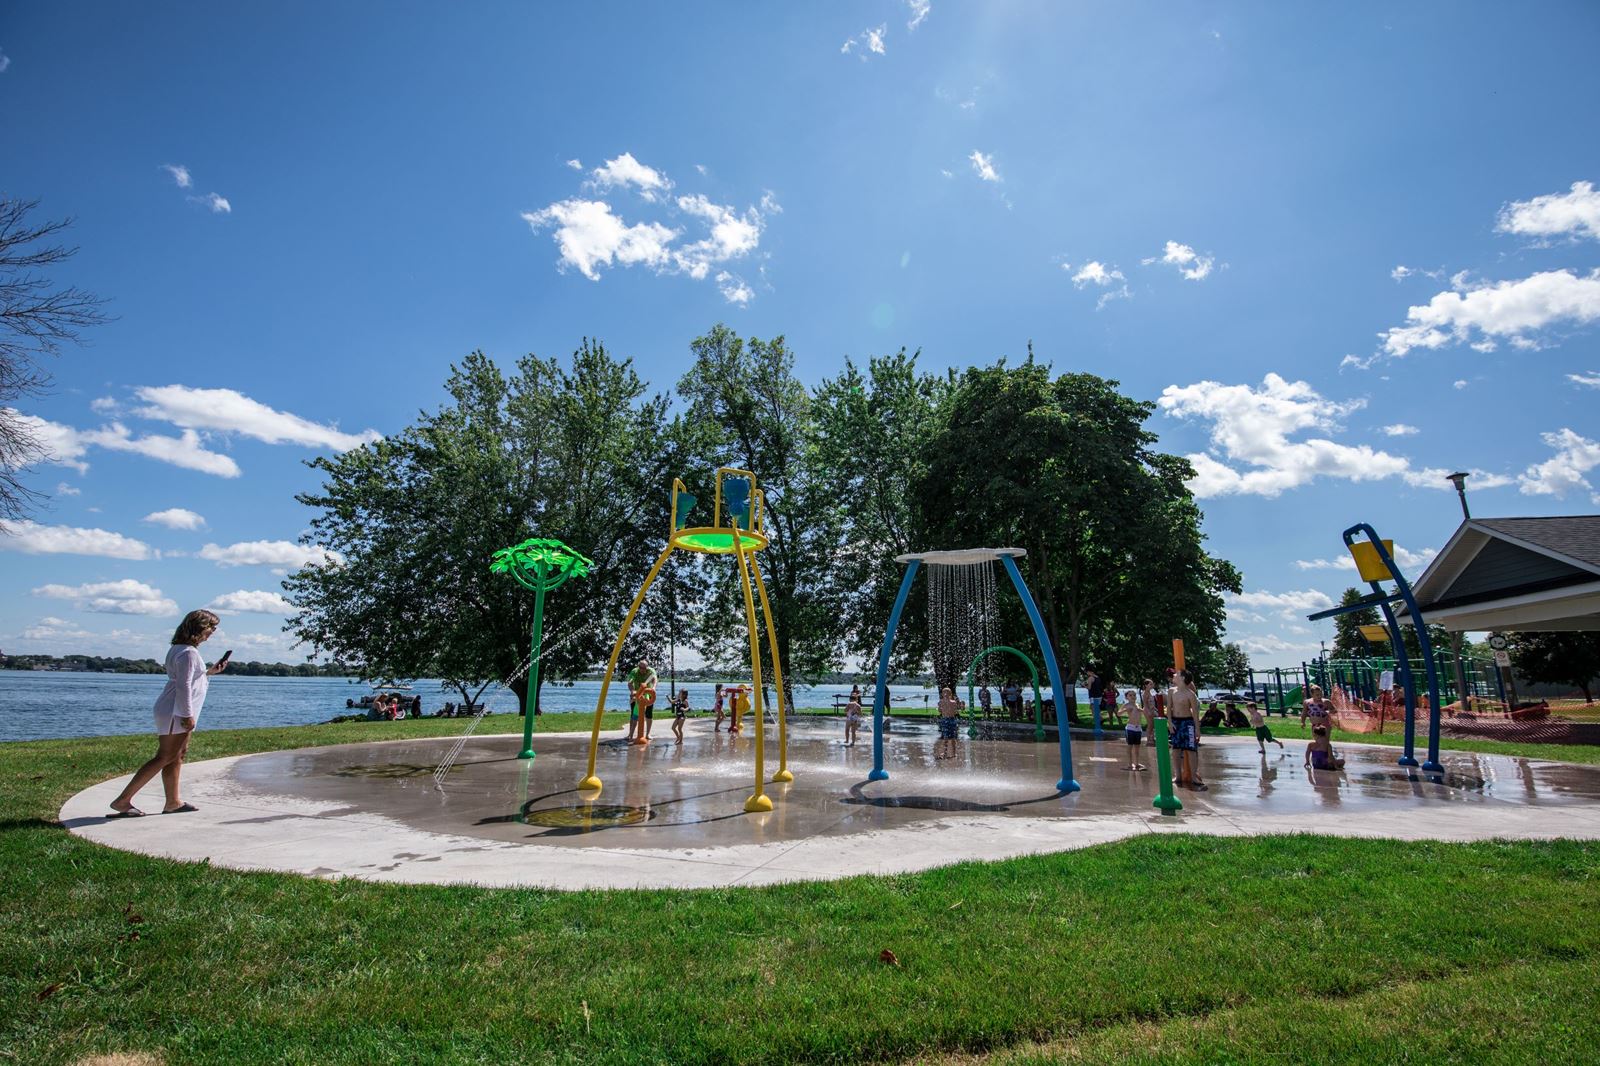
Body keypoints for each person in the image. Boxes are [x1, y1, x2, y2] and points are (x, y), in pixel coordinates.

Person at [109, 609, 228, 817]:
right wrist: (186, 714)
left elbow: (188, 680)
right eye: (211, 627)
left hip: (175, 708)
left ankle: (173, 802)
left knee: (177, 755)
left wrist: (209, 672)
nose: (213, 632)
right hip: (176, 709)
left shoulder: (179, 649)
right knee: (166, 755)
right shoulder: (189, 653)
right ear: (199, 627)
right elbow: (182, 685)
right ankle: (122, 800)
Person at [1167, 669, 1206, 790]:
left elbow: (1195, 713)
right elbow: (1169, 708)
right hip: (1176, 722)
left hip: (1187, 722)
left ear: (1183, 678)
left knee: (1191, 750)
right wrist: (1169, 722)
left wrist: (1197, 729)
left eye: (1177, 674)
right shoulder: (1171, 691)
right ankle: (1177, 775)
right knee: (1176, 749)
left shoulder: (1190, 694)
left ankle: (1194, 776)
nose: (1174, 675)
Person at [627, 659, 658, 742]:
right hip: (636, 694)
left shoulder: (651, 671)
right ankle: (630, 734)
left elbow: (654, 679)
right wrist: (632, 691)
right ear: (638, 667)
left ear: (647, 667)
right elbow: (630, 683)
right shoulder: (634, 671)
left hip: (648, 694)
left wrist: (654, 687)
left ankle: (648, 734)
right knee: (633, 715)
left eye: (644, 668)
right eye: (640, 667)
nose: (642, 670)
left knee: (648, 714)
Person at [935, 687, 963, 759]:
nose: (945, 694)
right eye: (944, 692)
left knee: (946, 738)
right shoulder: (953, 702)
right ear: (950, 694)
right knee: (952, 737)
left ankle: (945, 753)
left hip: (945, 720)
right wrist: (960, 705)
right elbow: (956, 712)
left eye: (945, 693)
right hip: (952, 720)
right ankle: (953, 753)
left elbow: (940, 711)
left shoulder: (940, 702)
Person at [1122, 688, 1145, 771]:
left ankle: (1137, 763)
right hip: (1130, 728)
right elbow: (1118, 713)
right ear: (1127, 697)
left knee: (1137, 747)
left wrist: (1141, 710)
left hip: (1138, 728)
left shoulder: (1137, 704)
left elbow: (1143, 712)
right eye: (1130, 695)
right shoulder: (1127, 705)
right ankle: (1129, 764)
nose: (1133, 697)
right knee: (1130, 747)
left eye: (1134, 695)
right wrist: (1125, 710)